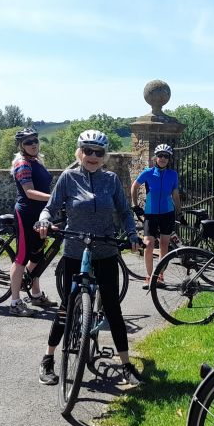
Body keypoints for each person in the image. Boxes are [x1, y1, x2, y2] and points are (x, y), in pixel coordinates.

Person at [34, 129, 143, 387]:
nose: (92, 156)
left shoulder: (112, 180)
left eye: (98, 152)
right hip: (74, 249)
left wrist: (132, 235)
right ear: (79, 152)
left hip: (105, 250)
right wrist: (43, 221)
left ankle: (126, 364)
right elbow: (50, 208)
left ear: (104, 156)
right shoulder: (68, 178)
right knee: (66, 307)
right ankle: (48, 359)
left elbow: (124, 212)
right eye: (87, 151)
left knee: (113, 308)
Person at [6, 127, 57, 315]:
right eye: (28, 142)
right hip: (26, 214)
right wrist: (54, 198)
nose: (33, 144)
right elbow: (29, 192)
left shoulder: (36, 160)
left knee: (38, 254)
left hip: (40, 213)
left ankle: (35, 295)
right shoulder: (22, 163)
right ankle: (15, 303)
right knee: (22, 257)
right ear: (21, 145)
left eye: (35, 140)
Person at [130, 143, 180, 288]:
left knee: (164, 245)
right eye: (160, 156)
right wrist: (135, 205)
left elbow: (175, 194)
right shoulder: (148, 172)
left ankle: (160, 276)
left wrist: (180, 211)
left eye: (166, 156)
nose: (163, 158)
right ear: (155, 158)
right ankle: (148, 276)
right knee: (149, 244)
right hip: (151, 214)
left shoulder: (173, 174)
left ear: (169, 159)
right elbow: (134, 186)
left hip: (167, 213)